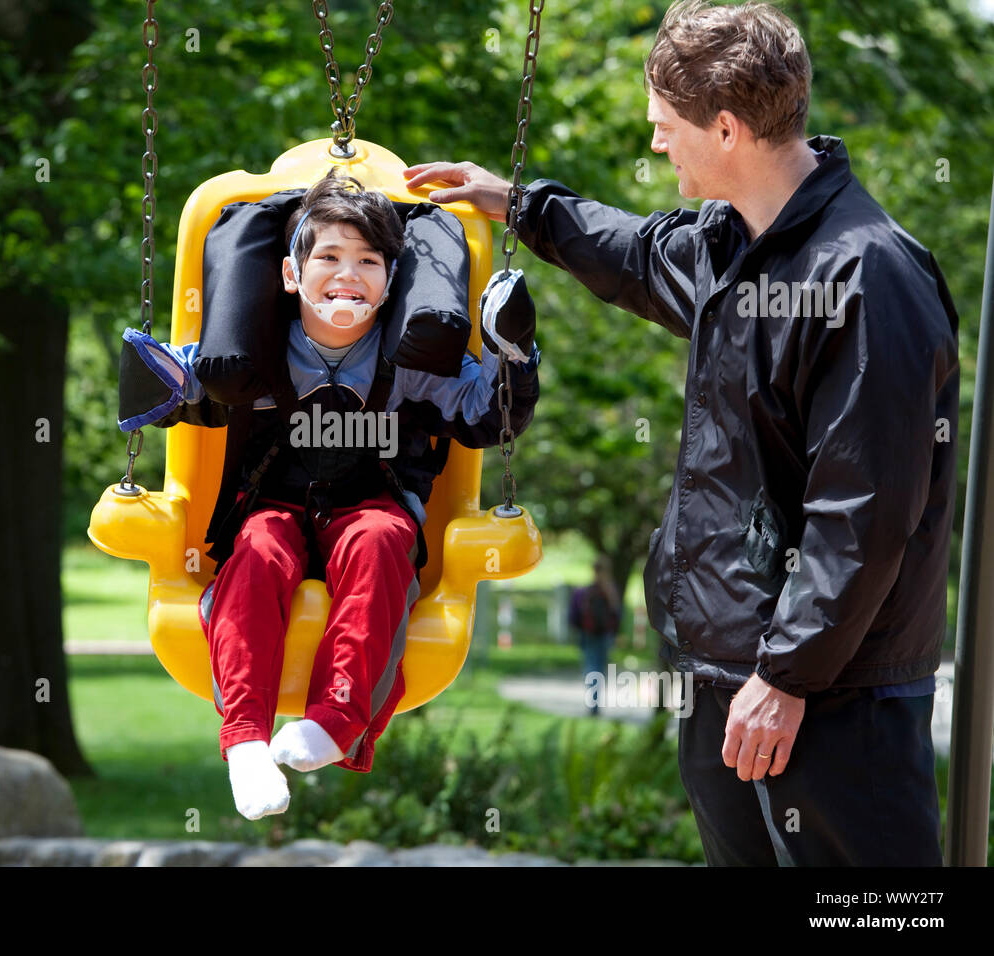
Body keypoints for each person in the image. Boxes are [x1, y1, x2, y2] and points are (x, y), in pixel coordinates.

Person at [405, 0, 958, 865]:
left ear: (728, 128)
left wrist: (786, 677)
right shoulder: (727, 241)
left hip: (831, 697)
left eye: (666, 125)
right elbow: (630, 251)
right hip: (726, 675)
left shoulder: (868, 276)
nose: (657, 143)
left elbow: (864, 510)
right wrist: (519, 205)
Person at [129, 170, 541, 820]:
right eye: (328, 257)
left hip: (369, 508)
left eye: (368, 262)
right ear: (292, 275)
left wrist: (512, 355)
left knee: (380, 539)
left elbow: (485, 416)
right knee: (258, 549)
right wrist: (158, 382)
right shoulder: (256, 351)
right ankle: (244, 742)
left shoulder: (413, 358)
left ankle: (336, 719)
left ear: (390, 280)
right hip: (275, 508)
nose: (347, 275)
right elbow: (189, 387)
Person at [569, 555, 623, 716]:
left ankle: (592, 701)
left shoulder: (584, 591)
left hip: (587, 634)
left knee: (590, 666)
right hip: (604, 635)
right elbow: (617, 615)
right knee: (598, 668)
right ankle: (595, 702)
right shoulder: (611, 592)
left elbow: (573, 615)